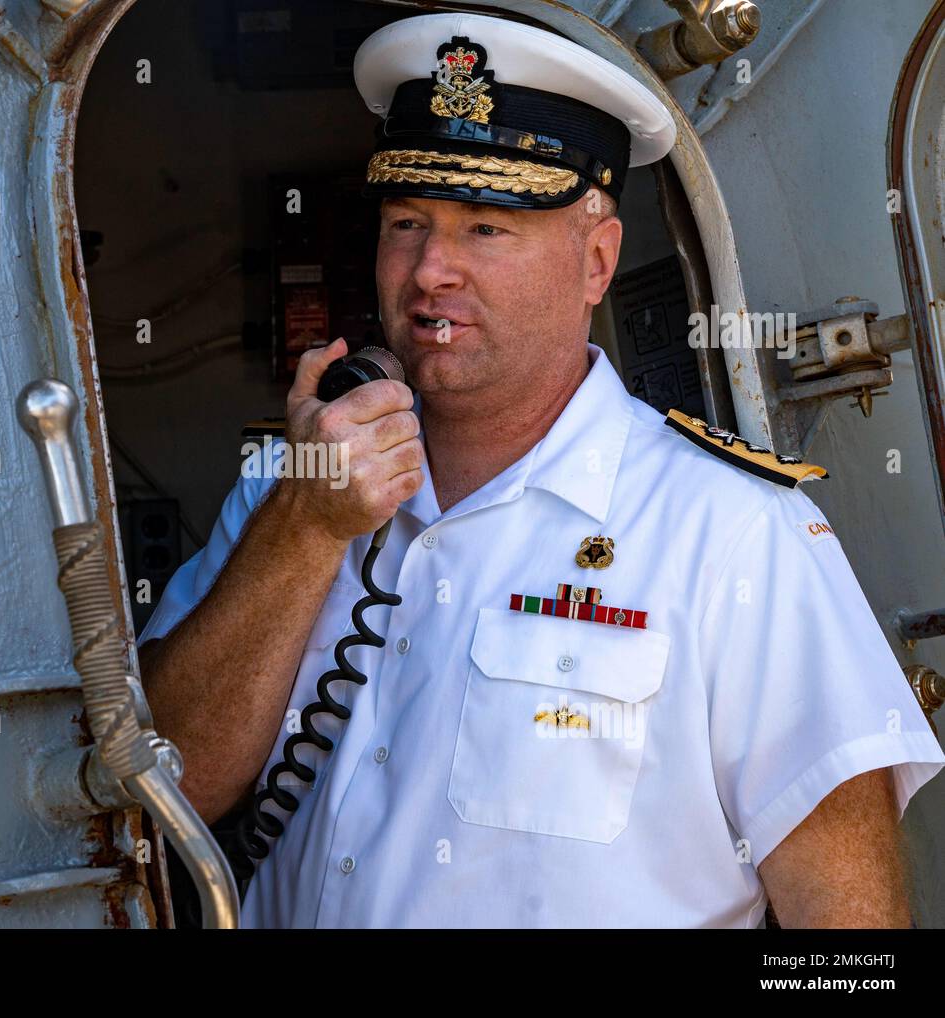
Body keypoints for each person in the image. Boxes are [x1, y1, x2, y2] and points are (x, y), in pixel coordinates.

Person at [136, 11, 945, 928]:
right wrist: (305, 532)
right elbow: (165, 794)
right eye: (408, 221)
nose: (431, 268)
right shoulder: (295, 490)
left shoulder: (735, 538)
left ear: (596, 262)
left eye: (487, 227)